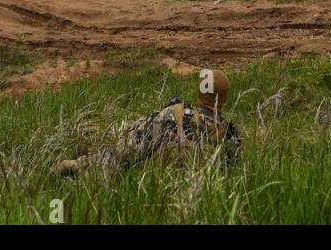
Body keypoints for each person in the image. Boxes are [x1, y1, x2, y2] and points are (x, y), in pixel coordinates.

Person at [54, 69, 239, 176]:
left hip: (156, 182)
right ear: (224, 98)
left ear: (200, 91)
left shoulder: (176, 113)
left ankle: (72, 165)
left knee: (120, 148)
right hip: (194, 194)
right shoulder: (231, 135)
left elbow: (129, 152)